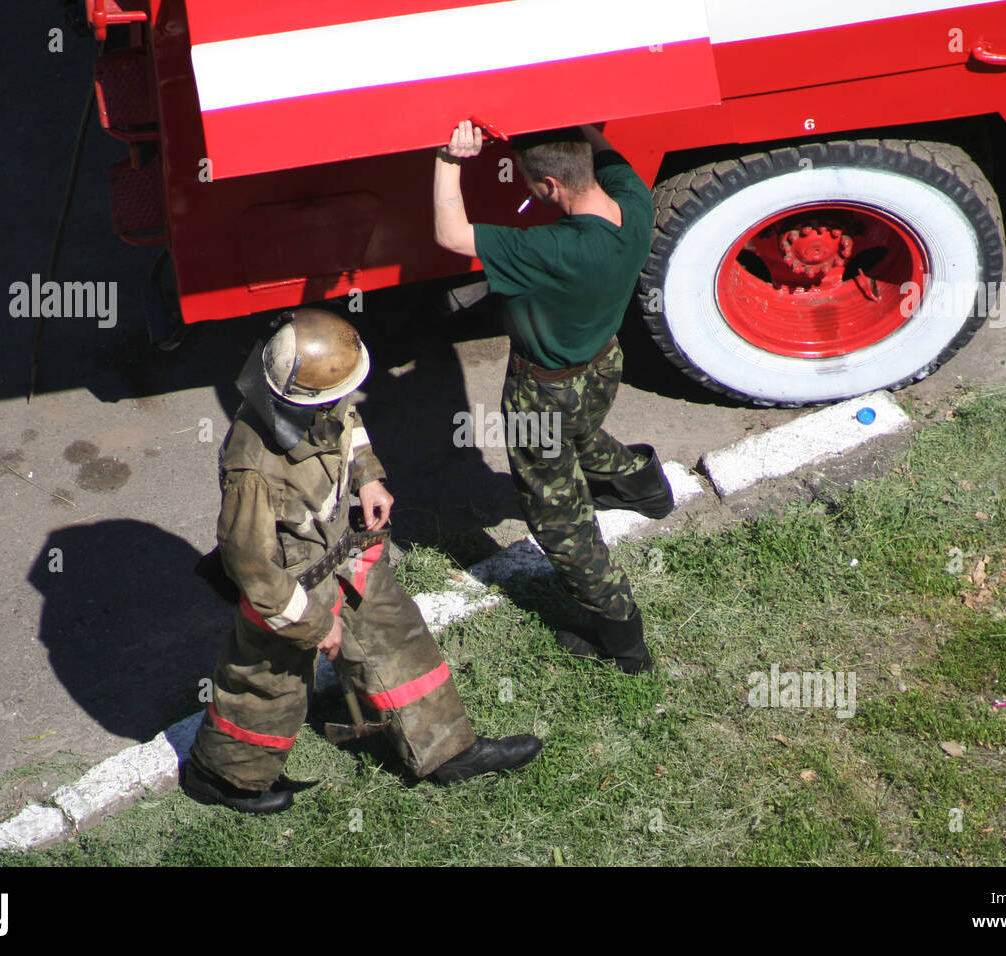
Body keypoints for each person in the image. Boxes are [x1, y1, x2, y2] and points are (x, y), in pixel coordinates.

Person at [183, 309, 541, 813]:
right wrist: (311, 624)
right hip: (290, 585)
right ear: (296, 397)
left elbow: (347, 419)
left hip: (344, 554)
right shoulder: (253, 466)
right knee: (269, 684)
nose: (341, 402)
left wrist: (368, 476)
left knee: (398, 635)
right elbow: (250, 566)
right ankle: (223, 777)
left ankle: (447, 751)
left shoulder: (316, 398)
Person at [432, 121, 674, 675]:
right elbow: (606, 150)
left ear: (548, 185)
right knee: (584, 433)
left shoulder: (553, 247)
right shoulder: (634, 204)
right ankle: (644, 487)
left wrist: (449, 159)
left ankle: (623, 640)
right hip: (603, 364)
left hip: (542, 391)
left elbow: (451, 234)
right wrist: (569, 112)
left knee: (559, 517)